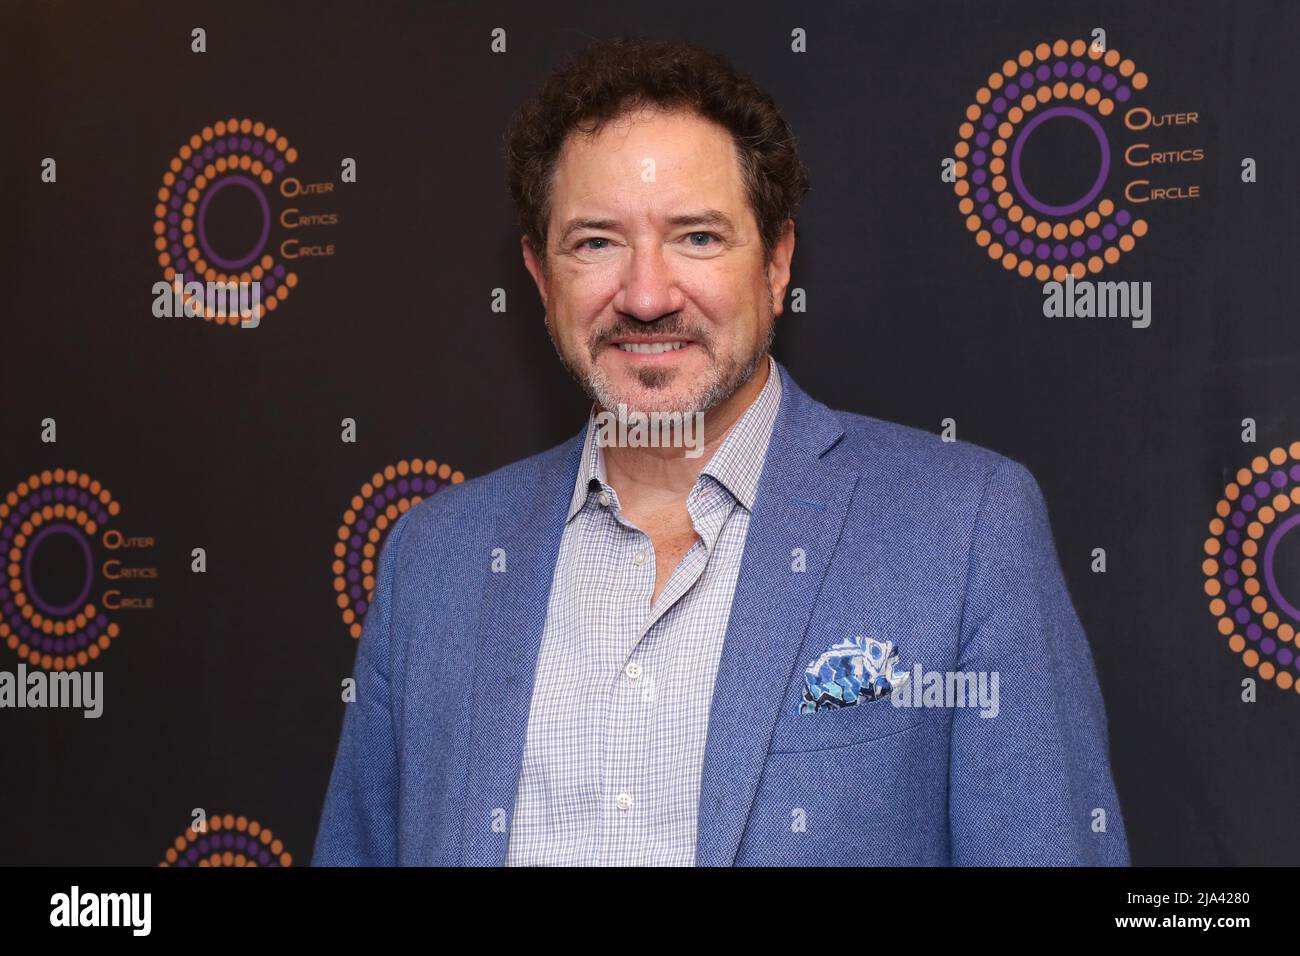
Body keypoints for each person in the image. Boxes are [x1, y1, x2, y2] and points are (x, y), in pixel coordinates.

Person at [313, 36, 1128, 866]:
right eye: (595, 242)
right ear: (539, 274)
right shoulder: (434, 561)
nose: (645, 295)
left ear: (776, 262)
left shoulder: (962, 532)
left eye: (697, 237)